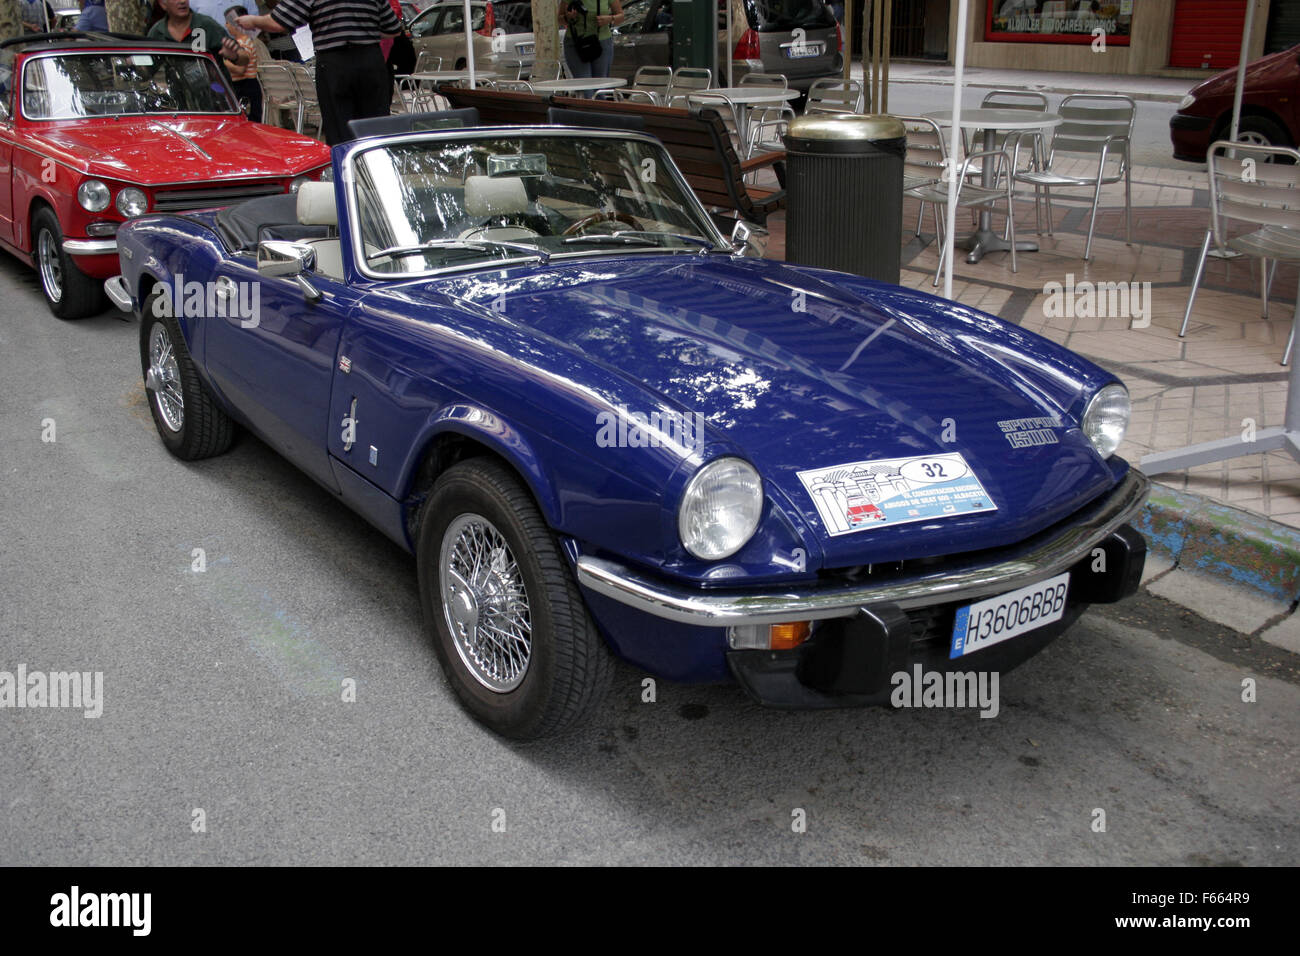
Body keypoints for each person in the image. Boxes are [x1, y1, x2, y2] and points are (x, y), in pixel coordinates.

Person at [237, 0, 399, 145]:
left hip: (335, 63)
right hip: (370, 61)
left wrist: (252, 20)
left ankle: (347, 172)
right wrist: (364, 31)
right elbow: (393, 29)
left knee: (340, 129)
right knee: (376, 128)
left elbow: (279, 22)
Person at [148, 0, 250, 86]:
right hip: (180, 101)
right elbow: (146, 71)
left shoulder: (207, 25)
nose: (182, 1)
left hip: (216, 99)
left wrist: (235, 56)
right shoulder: (158, 32)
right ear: (163, 4)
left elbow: (244, 59)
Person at [558, 0, 623, 80]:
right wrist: (567, 17)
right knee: (584, 86)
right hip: (576, 44)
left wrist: (610, 19)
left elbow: (621, 16)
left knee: (600, 85)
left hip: (601, 42)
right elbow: (559, 19)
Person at [223, 5, 262, 122]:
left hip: (246, 87)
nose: (226, 26)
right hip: (242, 86)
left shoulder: (243, 44)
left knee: (248, 120)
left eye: (228, 23)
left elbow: (241, 70)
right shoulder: (242, 41)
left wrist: (224, 62)